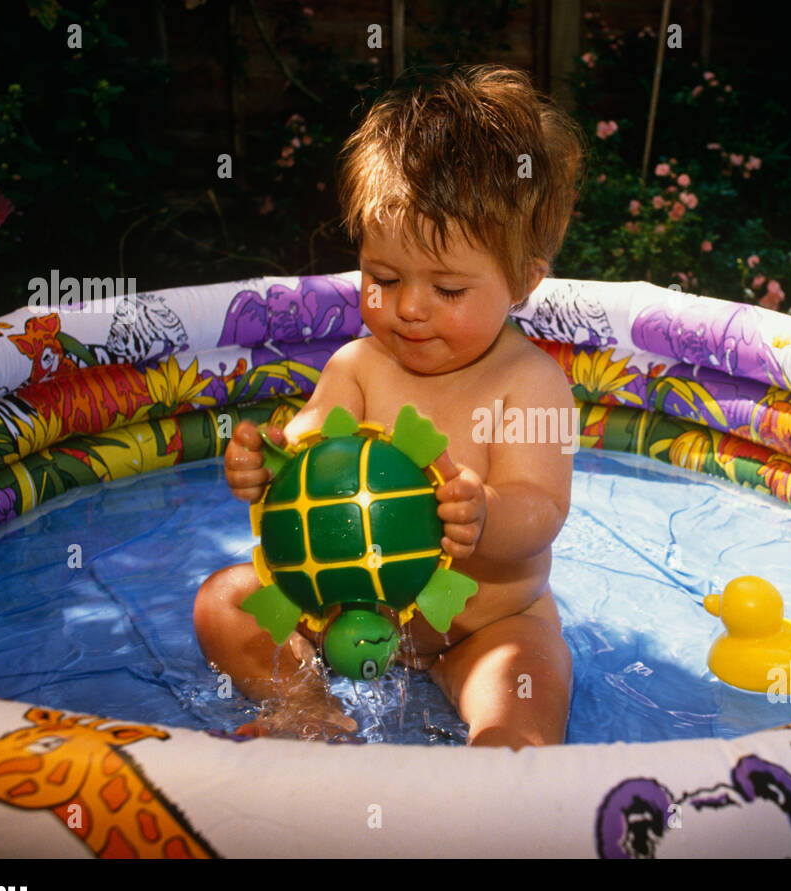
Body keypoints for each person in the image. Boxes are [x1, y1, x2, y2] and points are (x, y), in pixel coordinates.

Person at [194, 65, 585, 749]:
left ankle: (501, 760)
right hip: (344, 612)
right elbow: (309, 444)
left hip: (477, 628)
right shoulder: (359, 365)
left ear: (524, 280)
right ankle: (310, 705)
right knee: (224, 602)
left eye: (449, 289)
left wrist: (487, 512)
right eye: (383, 278)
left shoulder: (530, 383)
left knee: (532, 674)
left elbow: (542, 507)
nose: (408, 308)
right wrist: (266, 464)